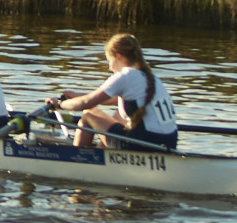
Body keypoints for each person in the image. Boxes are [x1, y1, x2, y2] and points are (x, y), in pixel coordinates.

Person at [47, 33, 179, 151]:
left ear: (119, 56)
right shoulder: (150, 77)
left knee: (89, 114)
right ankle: (104, 157)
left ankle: (77, 159)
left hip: (145, 144)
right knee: (117, 116)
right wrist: (76, 96)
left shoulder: (124, 76)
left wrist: (59, 104)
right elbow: (108, 99)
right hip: (169, 143)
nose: (109, 66)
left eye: (109, 61)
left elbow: (86, 104)